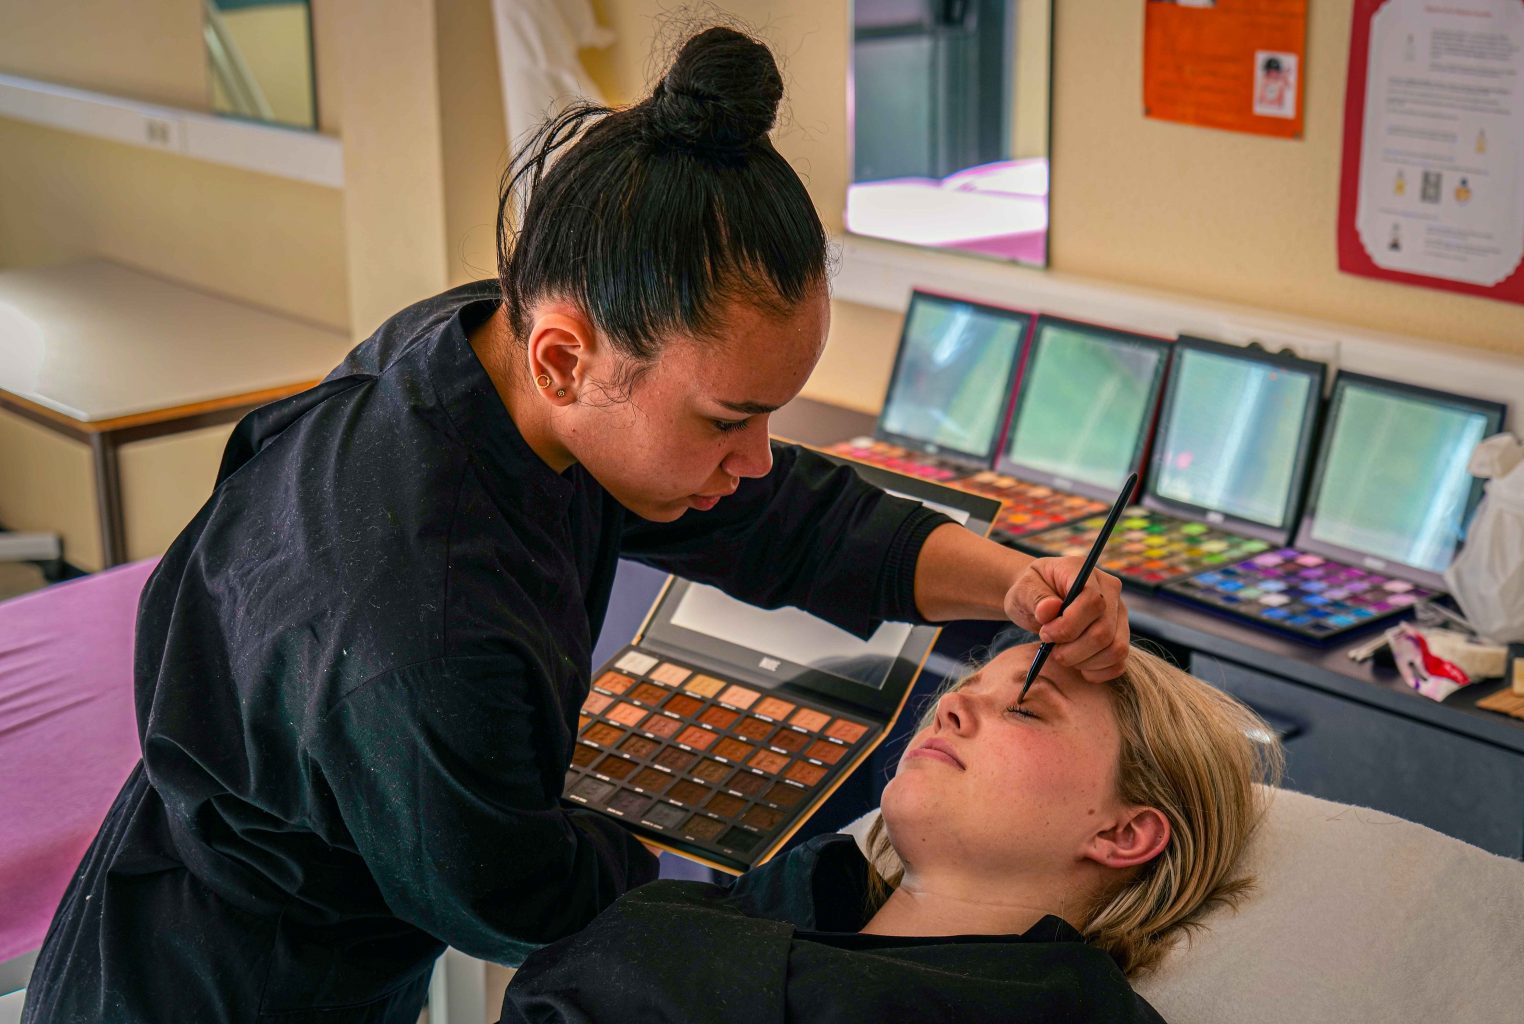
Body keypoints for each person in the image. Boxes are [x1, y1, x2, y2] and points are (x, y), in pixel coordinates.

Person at [22, 26, 1129, 1024]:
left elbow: (778, 511)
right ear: (566, 356)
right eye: (728, 420)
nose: (752, 458)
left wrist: (1014, 584)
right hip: (217, 989)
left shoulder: (501, 368)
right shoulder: (426, 623)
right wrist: (731, 889)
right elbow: (524, 900)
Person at [501, 632, 1282, 1023]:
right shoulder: (790, 895)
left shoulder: (1059, 1010)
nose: (950, 703)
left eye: (1024, 706)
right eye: (967, 685)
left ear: (1122, 834)